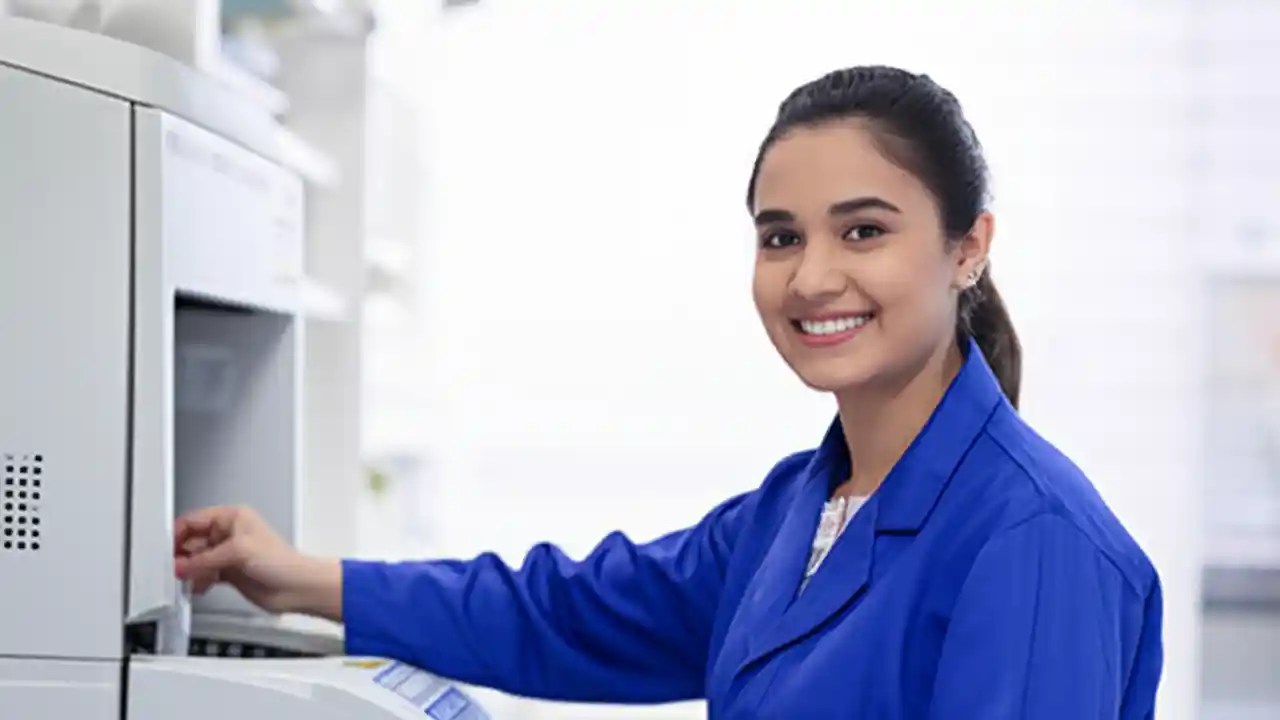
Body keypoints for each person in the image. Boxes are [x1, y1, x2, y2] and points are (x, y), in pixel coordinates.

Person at [174, 65, 1163, 718]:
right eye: (780, 236)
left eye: (862, 230)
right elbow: (561, 612)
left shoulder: (1031, 543)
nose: (811, 276)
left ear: (966, 248)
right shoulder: (793, 514)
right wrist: (297, 578)